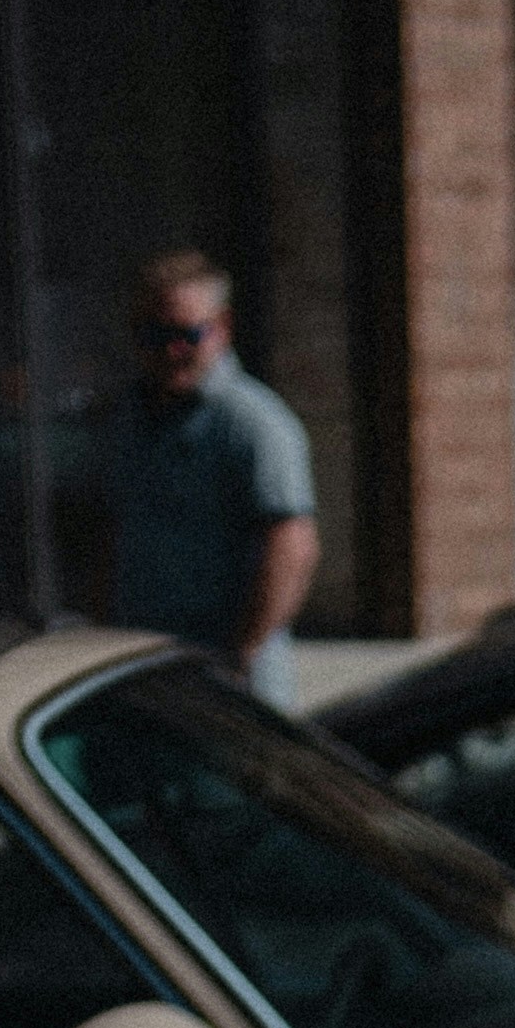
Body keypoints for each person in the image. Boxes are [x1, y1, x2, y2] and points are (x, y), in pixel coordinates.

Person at [98, 252, 318, 703]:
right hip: (142, 666)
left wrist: (242, 652)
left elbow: (292, 547)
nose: (170, 351)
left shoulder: (253, 423)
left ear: (222, 327)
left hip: (229, 677)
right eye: (154, 335)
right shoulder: (127, 418)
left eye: (186, 334)